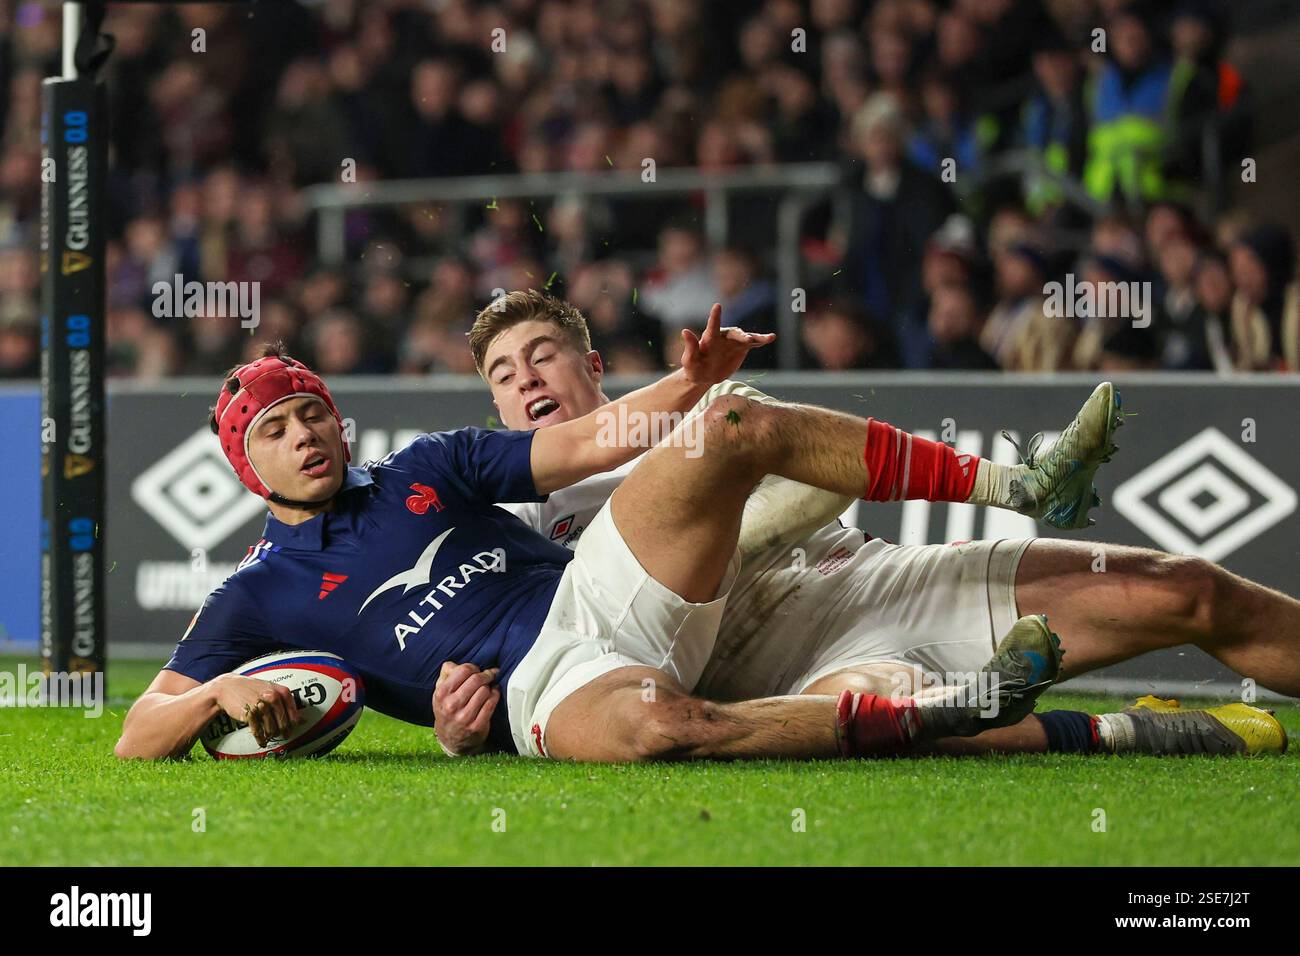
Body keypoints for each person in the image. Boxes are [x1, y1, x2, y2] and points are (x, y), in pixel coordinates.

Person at [116, 293, 1151, 763]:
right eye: (275, 429)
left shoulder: (433, 462)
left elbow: (595, 442)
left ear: (338, 417)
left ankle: (1017, 483)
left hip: (616, 595)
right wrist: (215, 690)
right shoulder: (250, 595)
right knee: (661, 727)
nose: (304, 435)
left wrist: (689, 386)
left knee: (735, 421)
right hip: (548, 687)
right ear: (242, 466)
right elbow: (137, 734)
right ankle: (974, 712)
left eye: (312, 412)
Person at [431, 291, 1293, 759]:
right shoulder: (499, 518)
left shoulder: (692, 430)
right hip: (759, 666)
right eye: (504, 373)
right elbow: (508, 668)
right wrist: (456, 727)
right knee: (897, 712)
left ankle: (1026, 485)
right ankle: (1127, 731)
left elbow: (813, 483)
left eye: (541, 354)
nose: (525, 379)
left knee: (1190, 591)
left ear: (591, 364)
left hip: (862, 576)